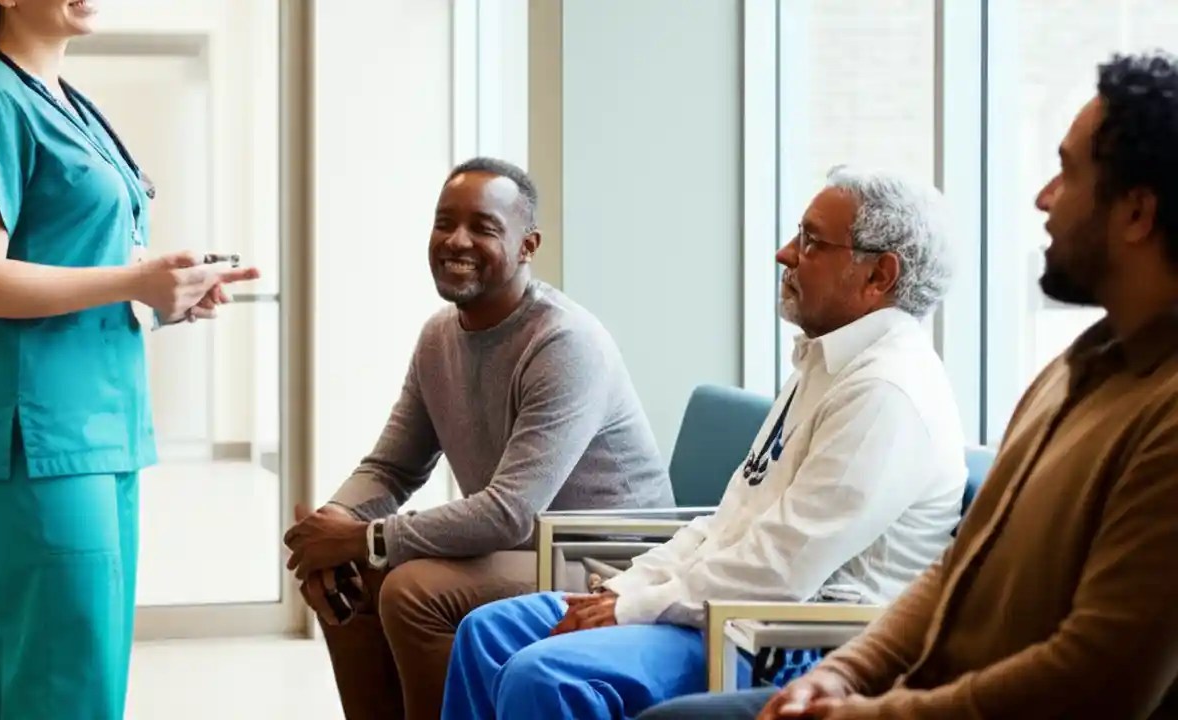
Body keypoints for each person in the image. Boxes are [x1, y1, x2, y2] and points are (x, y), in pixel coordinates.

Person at [641, 50, 1178, 720]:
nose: (1043, 198)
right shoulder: (1073, 373)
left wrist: (868, 712)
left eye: (1067, 172)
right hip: (910, 683)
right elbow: (960, 569)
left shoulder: (1165, 415)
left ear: (1136, 213)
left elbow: (1094, 679)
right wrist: (842, 676)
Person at [440, 166, 968, 720]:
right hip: (727, 606)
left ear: (879, 275)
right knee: (488, 632)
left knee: (545, 673)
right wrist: (629, 586)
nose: (785, 254)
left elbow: (783, 570)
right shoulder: (826, 363)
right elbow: (729, 523)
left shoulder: (887, 392)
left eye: (812, 241)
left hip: (785, 641)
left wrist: (633, 606)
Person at [0, 1, 259, 717]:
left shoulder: (70, 103)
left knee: (45, 663)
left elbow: (81, 262)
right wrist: (133, 279)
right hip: (39, 432)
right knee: (67, 677)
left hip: (103, 423)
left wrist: (162, 295)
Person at [282, 156, 674, 720]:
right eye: (444, 223)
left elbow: (510, 512)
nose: (456, 240)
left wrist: (362, 538)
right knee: (349, 580)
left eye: (483, 228)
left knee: (413, 589)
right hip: (524, 547)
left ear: (527, 245)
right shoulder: (439, 336)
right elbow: (392, 467)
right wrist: (332, 525)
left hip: (609, 558)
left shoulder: (564, 343)